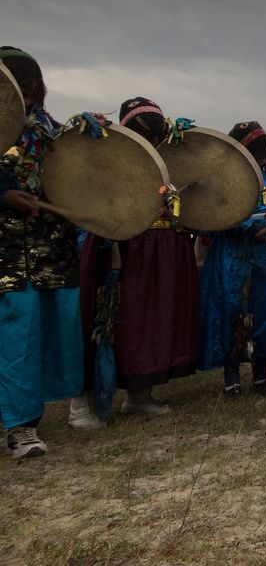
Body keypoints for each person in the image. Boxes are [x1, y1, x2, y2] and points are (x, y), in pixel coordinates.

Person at [79, 97, 197, 418]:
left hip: (161, 253)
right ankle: (85, 401)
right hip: (120, 248)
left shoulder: (169, 160)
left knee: (151, 321)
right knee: (109, 317)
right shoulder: (111, 156)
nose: (157, 133)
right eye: (149, 125)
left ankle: (139, 395)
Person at [0, 47, 83, 457]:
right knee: (15, 333)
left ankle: (24, 420)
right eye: (19, 82)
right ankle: (17, 426)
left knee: (37, 334)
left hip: (49, 251)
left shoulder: (51, 131)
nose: (28, 89)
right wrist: (3, 194)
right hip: (7, 255)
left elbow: (77, 178)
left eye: (33, 82)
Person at [197, 121, 266, 397]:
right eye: (255, 146)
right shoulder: (223, 178)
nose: (262, 151)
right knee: (234, 314)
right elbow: (215, 212)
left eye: (265, 145)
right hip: (235, 256)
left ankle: (260, 376)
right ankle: (231, 380)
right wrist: (247, 226)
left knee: (265, 313)